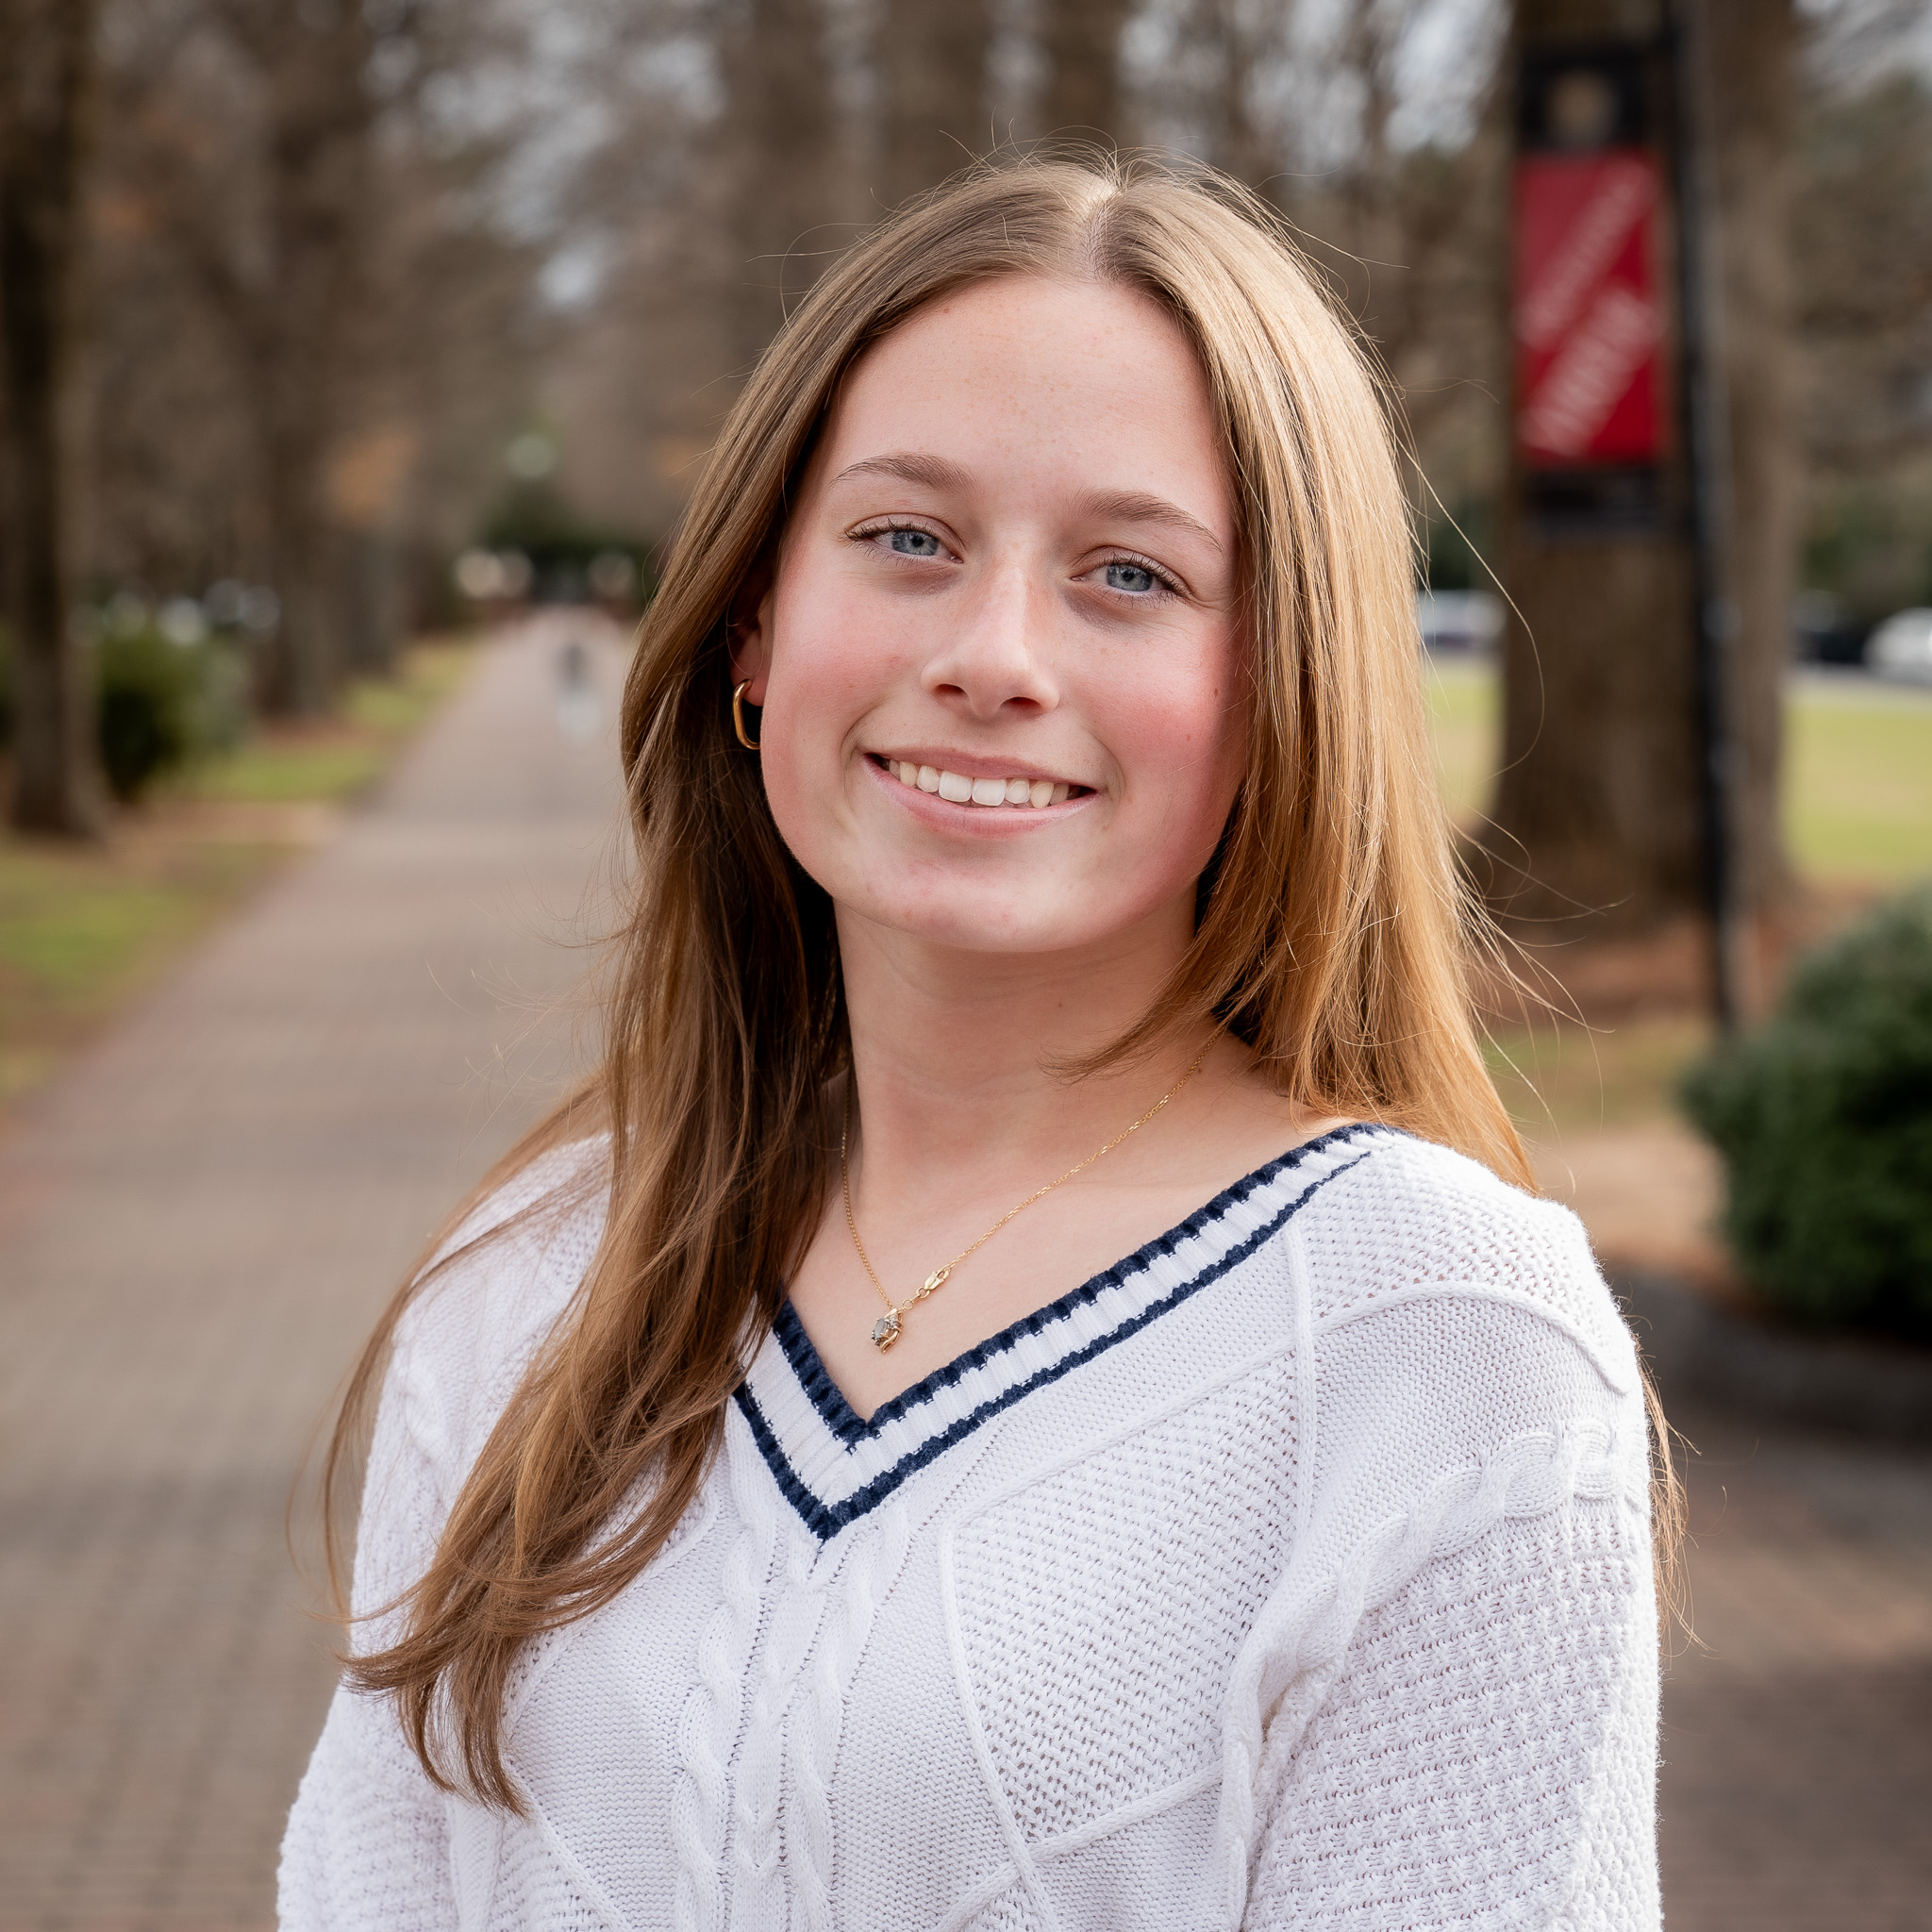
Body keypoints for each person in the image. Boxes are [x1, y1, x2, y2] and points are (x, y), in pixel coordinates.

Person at [280, 157, 1666, 1931]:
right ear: (757, 629)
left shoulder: (1444, 1347)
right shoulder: (531, 1281)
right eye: (910, 538)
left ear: (1282, 691)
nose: (996, 655)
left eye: (1130, 574)